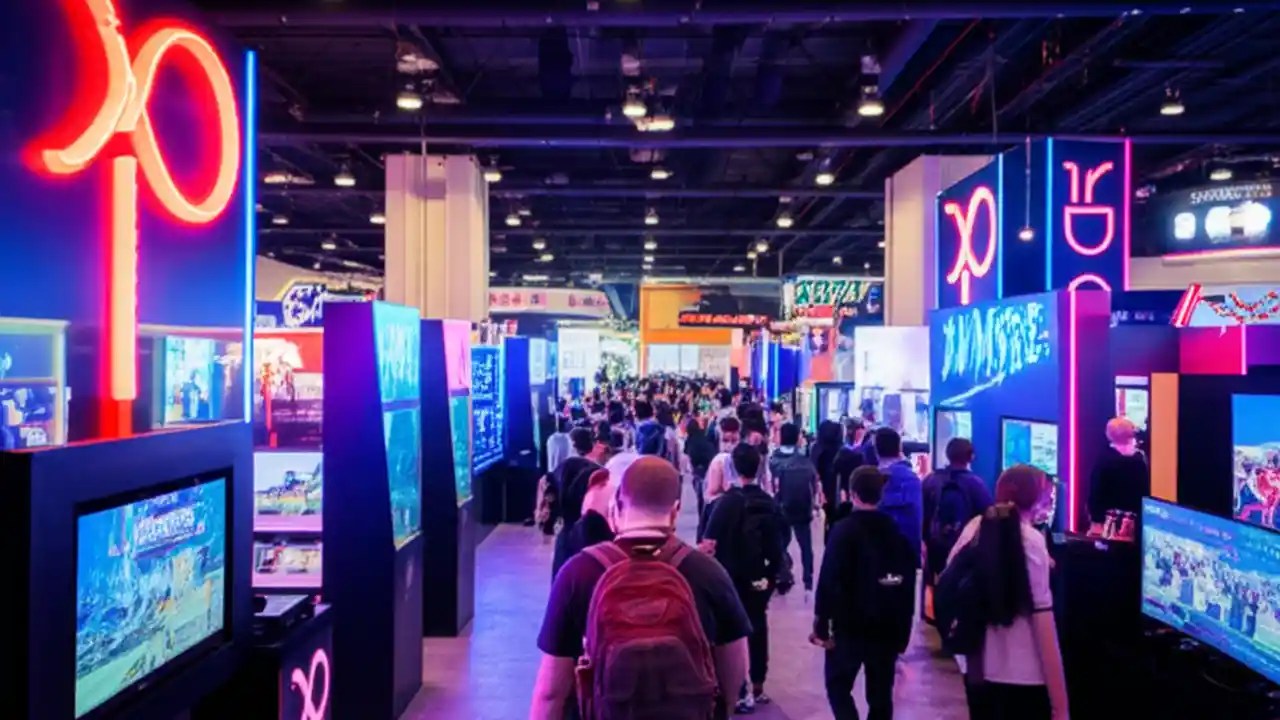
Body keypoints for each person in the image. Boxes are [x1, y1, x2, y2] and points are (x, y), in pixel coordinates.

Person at [531, 457, 752, 720]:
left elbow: (550, 692)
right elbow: (735, 670)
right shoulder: (709, 573)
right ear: (675, 511)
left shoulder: (578, 573)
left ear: (617, 506)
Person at [946, 465, 1070, 720]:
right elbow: (1043, 626)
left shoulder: (975, 528)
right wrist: (1061, 705)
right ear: (1036, 499)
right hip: (1026, 676)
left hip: (977, 668)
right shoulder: (1031, 542)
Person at [813, 466, 918, 720]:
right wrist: (903, 634)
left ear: (853, 494)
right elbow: (907, 590)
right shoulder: (897, 535)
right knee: (881, 695)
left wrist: (821, 624)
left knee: (838, 685)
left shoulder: (843, 531)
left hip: (850, 626)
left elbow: (829, 579)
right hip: (887, 628)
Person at [703, 444, 788, 713]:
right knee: (758, 624)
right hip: (760, 577)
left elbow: (708, 541)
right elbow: (781, 538)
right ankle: (759, 683)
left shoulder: (726, 503)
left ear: (733, 468)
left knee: (731, 631)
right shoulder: (768, 502)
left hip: (730, 576)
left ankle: (737, 688)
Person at [922, 438, 992, 586]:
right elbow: (988, 516)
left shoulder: (931, 480)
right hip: (963, 551)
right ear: (971, 457)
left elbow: (922, 515)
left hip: (934, 547)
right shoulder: (975, 484)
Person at [770, 422, 821, 595]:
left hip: (781, 508)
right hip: (802, 509)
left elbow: (771, 486)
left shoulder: (774, 460)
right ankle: (808, 581)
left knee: (779, 543)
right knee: (805, 546)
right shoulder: (805, 460)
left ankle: (782, 572)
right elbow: (814, 483)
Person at [550, 428, 604, 577]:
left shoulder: (566, 468)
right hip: (593, 538)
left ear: (572, 444)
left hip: (567, 534)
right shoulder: (599, 470)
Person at [1087, 417, 1150, 536]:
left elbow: (1095, 492)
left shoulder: (1104, 460)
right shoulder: (1140, 460)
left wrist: (1096, 520)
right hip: (1135, 520)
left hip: (1108, 522)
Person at [874, 428, 924, 558]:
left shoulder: (870, 479)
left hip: (878, 551)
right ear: (899, 447)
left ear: (876, 450)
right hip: (908, 553)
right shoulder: (912, 479)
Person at [811, 420, 845, 541]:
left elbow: (814, 471)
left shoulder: (816, 449)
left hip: (824, 490)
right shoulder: (842, 450)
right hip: (838, 490)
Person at [684, 416, 717, 519]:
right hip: (709, 465)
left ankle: (702, 515)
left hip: (698, 469)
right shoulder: (704, 436)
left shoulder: (690, 440)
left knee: (700, 494)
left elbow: (688, 454)